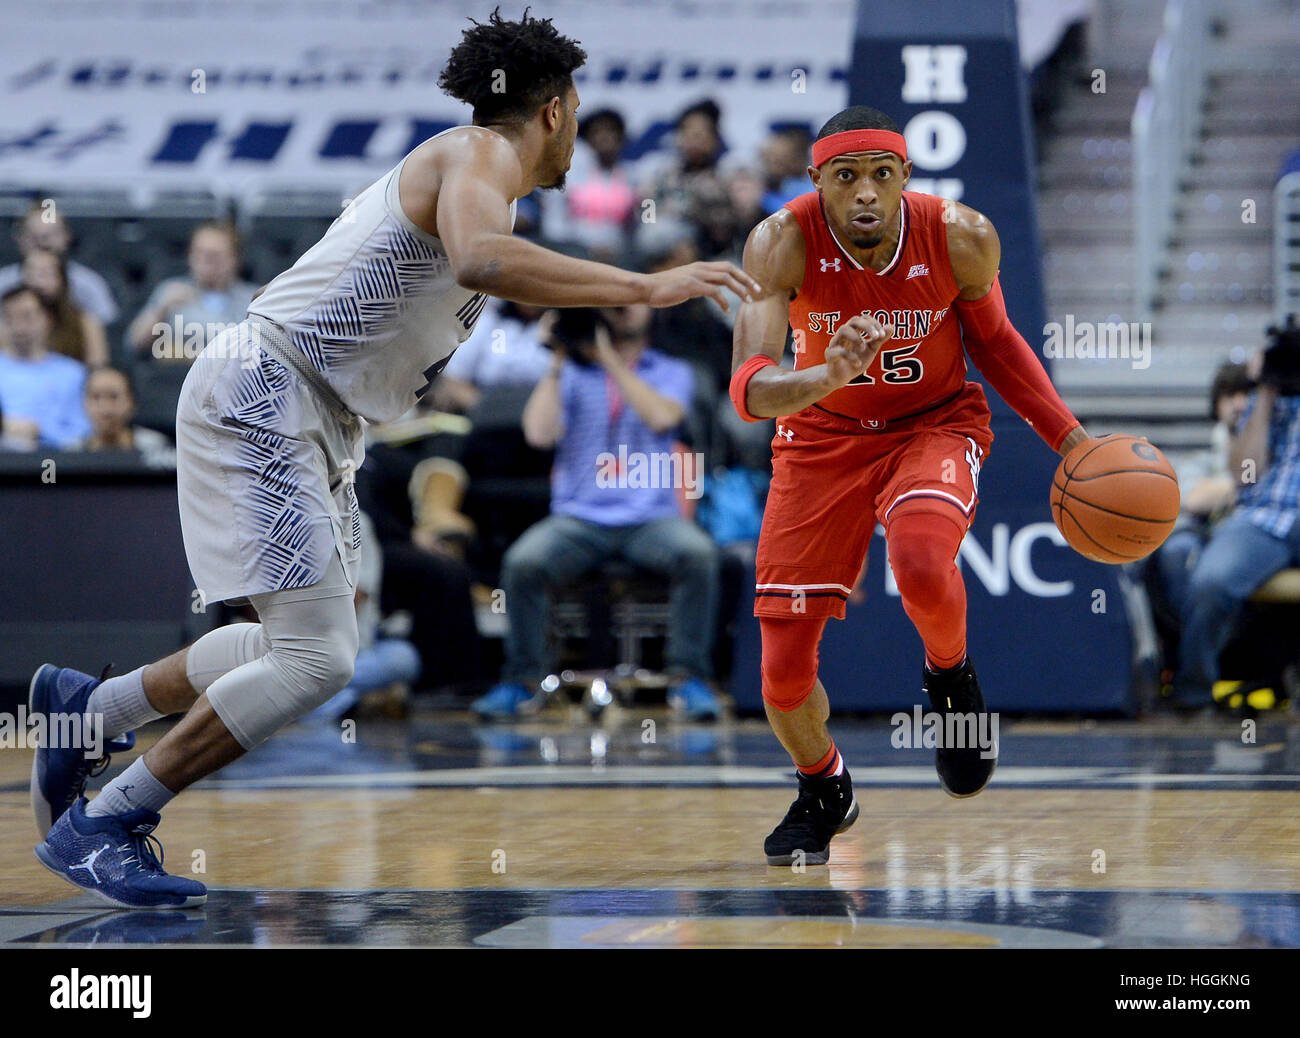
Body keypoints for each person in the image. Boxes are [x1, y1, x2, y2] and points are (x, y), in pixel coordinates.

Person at [29, 7, 757, 909]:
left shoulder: (486, 180)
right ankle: (109, 820)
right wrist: (646, 284)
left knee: (308, 644)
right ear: (558, 108)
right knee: (317, 663)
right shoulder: (480, 154)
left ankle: (91, 711)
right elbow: (486, 260)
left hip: (314, 413)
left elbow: (477, 263)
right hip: (271, 392)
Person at [729, 105, 1090, 865]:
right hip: (820, 437)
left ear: (906, 179)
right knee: (783, 672)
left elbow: (996, 343)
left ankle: (951, 682)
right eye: (845, 176)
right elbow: (751, 391)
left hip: (934, 422)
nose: (864, 193)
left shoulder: (961, 236)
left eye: (881, 176)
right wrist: (825, 375)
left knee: (923, 558)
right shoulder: (779, 243)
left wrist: (1071, 438)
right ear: (816, 180)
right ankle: (823, 786)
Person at [471, 306, 722, 720]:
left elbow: (663, 417)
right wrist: (556, 360)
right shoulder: (569, 373)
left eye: (633, 303)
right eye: (614, 307)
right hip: (579, 519)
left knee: (698, 555)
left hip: (651, 518)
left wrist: (611, 363)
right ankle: (522, 681)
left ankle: (688, 678)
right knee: (523, 563)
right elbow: (538, 434)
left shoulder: (671, 370)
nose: (623, 313)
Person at [1172, 318, 1300, 710]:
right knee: (1210, 581)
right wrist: (1266, 389)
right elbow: (1245, 472)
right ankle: (1195, 695)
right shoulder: (1271, 397)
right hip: (1265, 518)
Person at [126, 223, 258, 362]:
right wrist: (161, 310)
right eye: (199, 253)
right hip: (176, 378)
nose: (205, 262)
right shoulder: (170, 292)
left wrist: (180, 350)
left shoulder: (254, 298)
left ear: (234, 259)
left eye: (214, 256)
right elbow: (133, 344)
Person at [0, 285, 91, 449]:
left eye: (27, 317)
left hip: (57, 464)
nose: (19, 328)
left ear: (47, 319)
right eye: (9, 318)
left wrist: (40, 431)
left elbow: (84, 430)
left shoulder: (72, 373)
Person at [0, 204, 119, 326]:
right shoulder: (3, 282)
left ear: (67, 236)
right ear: (19, 238)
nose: (42, 242)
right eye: (33, 235)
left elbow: (106, 327)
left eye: (51, 234)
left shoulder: (89, 284)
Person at [21, 248, 109, 368]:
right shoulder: (7, 325)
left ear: (62, 279)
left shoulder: (84, 323)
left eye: (46, 273)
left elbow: (97, 366)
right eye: (32, 273)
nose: (38, 282)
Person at [79, 366, 175, 466]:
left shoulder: (157, 448)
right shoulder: (73, 451)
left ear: (132, 402)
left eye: (113, 397)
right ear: (84, 403)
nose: (105, 409)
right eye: (96, 397)